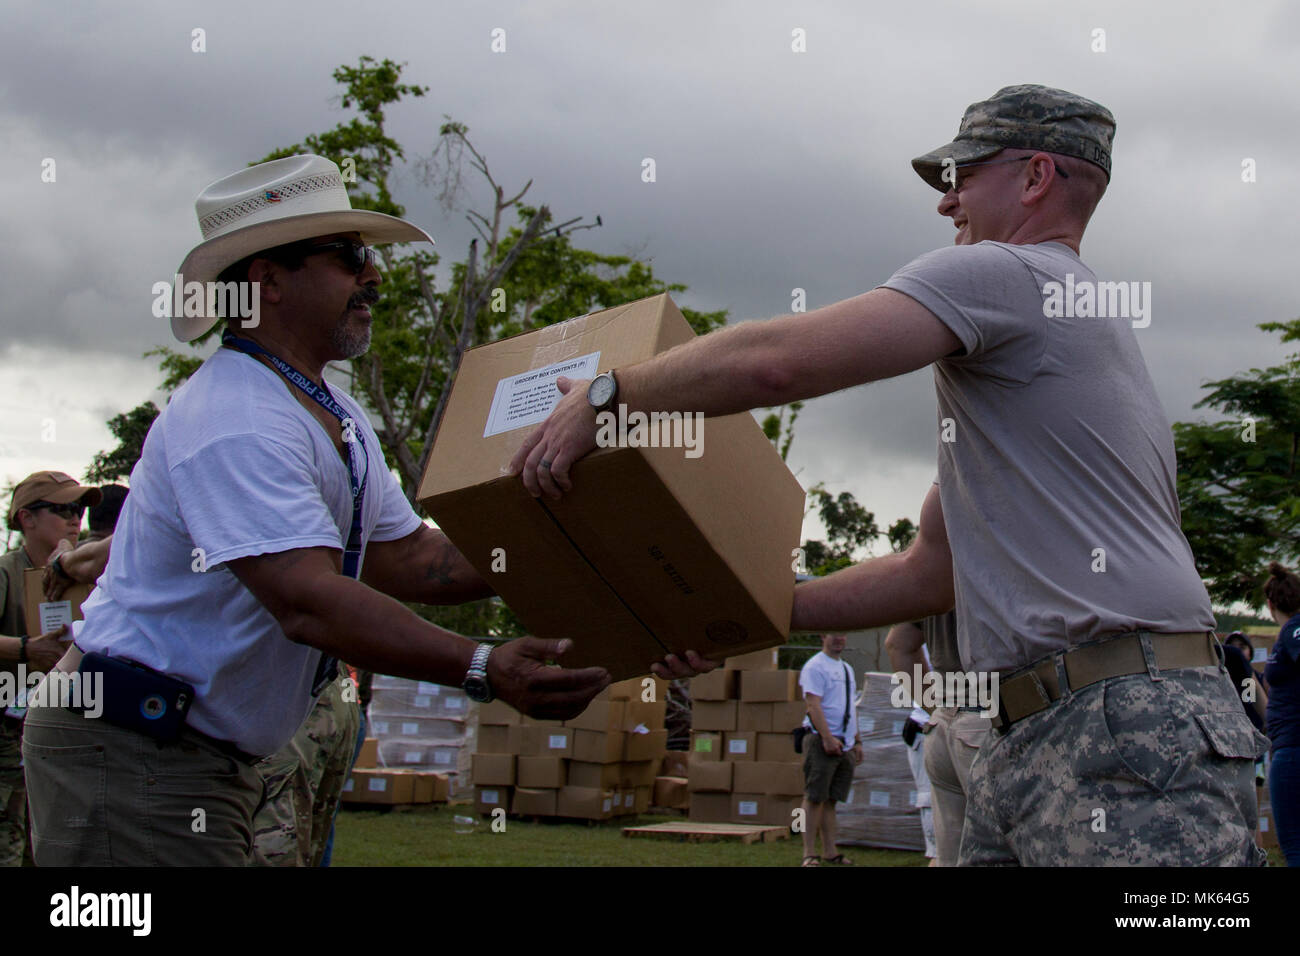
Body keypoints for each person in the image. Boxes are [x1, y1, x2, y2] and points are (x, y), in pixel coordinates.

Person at [511, 85, 1267, 865]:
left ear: (1036, 176)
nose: (947, 205)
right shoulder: (1068, 346)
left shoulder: (1010, 275)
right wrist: (737, 613)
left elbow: (776, 365)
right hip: (1049, 728)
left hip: (1117, 726)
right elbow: (932, 572)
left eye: (961, 177)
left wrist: (610, 399)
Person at [22, 154, 705, 867]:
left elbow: (413, 560)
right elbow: (309, 602)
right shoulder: (236, 417)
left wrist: (600, 540)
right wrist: (482, 665)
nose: (373, 275)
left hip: (188, 753)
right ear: (267, 280)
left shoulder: (331, 411)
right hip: (131, 753)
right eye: (349, 257)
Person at [0, 471, 98, 866]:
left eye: (79, 509)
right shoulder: (7, 572)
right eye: (62, 509)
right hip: (8, 739)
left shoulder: (89, 575)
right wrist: (25, 650)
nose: (76, 519)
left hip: (69, 735)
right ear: (27, 519)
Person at [886, 610, 979, 866]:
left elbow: (898, 644)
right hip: (989, 722)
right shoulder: (1001, 569)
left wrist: (937, 709)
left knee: (951, 854)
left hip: (946, 726)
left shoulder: (935, 577)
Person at [798, 633, 861, 866]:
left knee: (832, 799)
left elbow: (851, 707)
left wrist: (857, 740)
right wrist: (826, 737)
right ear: (823, 636)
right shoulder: (815, 666)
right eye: (834, 635)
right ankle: (808, 853)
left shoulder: (847, 669)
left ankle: (830, 851)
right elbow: (812, 704)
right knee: (814, 797)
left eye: (843, 635)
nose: (839, 639)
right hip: (821, 740)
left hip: (844, 744)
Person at [1263, 563, 1300, 865]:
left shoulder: (1294, 628)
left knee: (1295, 844)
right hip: (1286, 744)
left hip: (1294, 748)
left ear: (1270, 604)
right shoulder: (1288, 633)